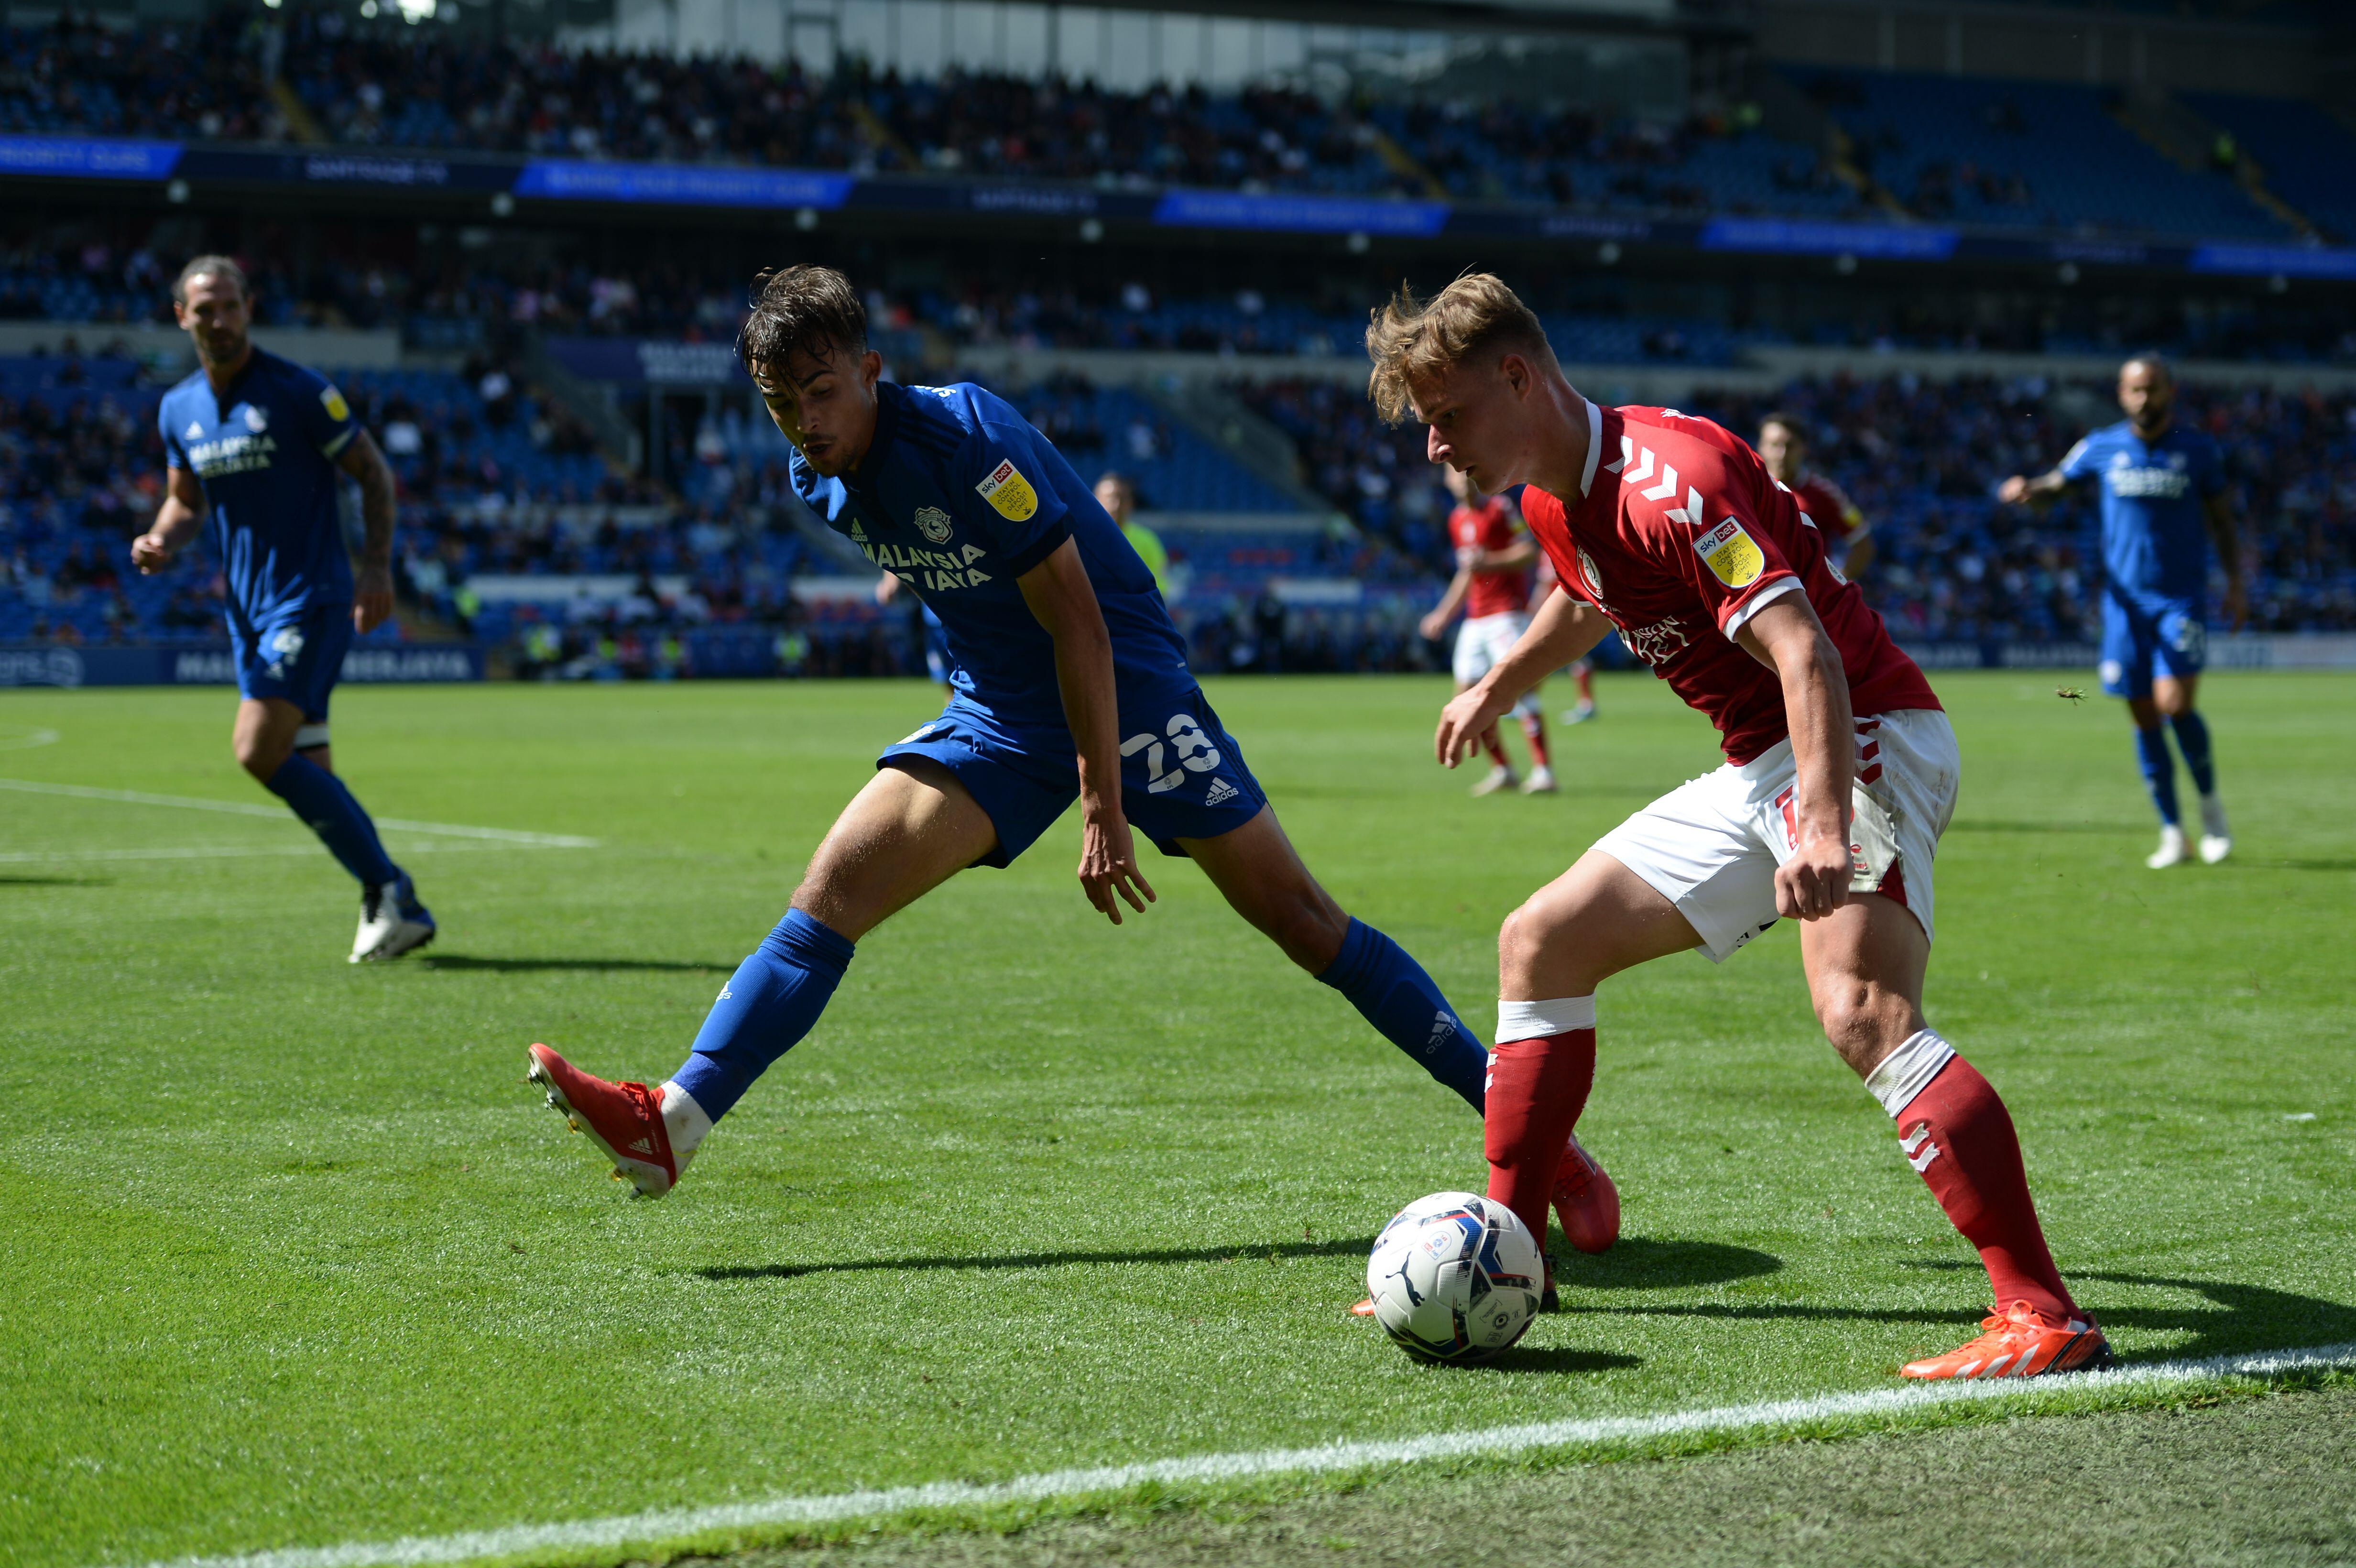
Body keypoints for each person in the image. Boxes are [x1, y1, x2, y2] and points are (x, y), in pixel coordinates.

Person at [524, 265, 1499, 1208]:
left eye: (821, 392)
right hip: (996, 709)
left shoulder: (968, 438)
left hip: (1129, 692)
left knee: (1302, 921)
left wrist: (1103, 803)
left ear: (871, 371)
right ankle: (673, 1123)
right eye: (782, 404)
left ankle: (1513, 1113)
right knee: (829, 897)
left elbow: (1079, 621)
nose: (805, 422)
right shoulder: (811, 475)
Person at [1375, 273, 2106, 1380]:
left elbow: (1807, 649)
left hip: (1862, 732)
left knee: (1862, 1011)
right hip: (1764, 761)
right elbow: (1587, 595)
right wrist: (1501, 683)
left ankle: (2041, 1310)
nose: (1435, 448)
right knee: (1541, 942)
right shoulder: (1547, 496)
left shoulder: (1676, 480)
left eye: (1447, 417)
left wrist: (1821, 824)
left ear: (1517, 376)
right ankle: (1507, 1254)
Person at [132, 256, 434, 963]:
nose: (219, 320)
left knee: (255, 749)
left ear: (249, 309)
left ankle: (395, 891)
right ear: (182, 316)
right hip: (249, 613)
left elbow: (373, 473)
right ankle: (386, 901)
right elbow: (184, 501)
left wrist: (376, 567)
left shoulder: (297, 391)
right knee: (308, 767)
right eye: (204, 309)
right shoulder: (178, 408)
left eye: (231, 305)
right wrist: (159, 538)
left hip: (312, 599)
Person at [1999, 356, 2241, 869]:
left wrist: (2236, 584)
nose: (2143, 399)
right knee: (2143, 715)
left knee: (2174, 704)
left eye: (2151, 389)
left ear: (2169, 392)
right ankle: (2173, 832)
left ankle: (2210, 809)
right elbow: (2056, 484)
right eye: (2134, 390)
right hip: (2123, 605)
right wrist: (2029, 490)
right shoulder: (2100, 445)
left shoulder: (2197, 449)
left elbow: (2221, 522)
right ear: (2120, 393)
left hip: (2179, 600)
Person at [1418, 464, 1556, 795]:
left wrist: (1490, 562)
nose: (1461, 480)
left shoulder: (1501, 508)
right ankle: (1504, 770)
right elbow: (1468, 573)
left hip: (1506, 615)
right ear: (1448, 482)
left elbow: (1529, 551)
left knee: (1519, 691)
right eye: (1453, 475)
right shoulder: (1457, 520)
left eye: (1463, 472)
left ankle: (1543, 772)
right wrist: (1443, 614)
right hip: (1475, 620)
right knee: (1466, 697)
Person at [1756, 412, 1874, 582]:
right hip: (1759, 592)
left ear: (1804, 448)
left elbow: (1863, 545)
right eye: (1775, 445)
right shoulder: (1748, 489)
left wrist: (1836, 585)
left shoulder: (1824, 493)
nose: (1782, 454)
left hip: (1807, 598)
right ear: (1761, 447)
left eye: (1790, 446)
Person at [1093, 471, 1170, 596]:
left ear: (1131, 503)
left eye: (1122, 499)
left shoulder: (1147, 540)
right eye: (1110, 498)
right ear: (1094, 501)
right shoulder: (1081, 538)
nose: (1116, 505)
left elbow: (1160, 586)